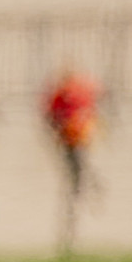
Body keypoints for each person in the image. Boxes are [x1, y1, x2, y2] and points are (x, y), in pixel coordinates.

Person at [44, 70, 103, 250]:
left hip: (77, 140)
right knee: (75, 172)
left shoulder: (79, 93)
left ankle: (89, 187)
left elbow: (90, 112)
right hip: (69, 141)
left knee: (78, 169)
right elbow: (51, 116)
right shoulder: (60, 96)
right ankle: (86, 188)